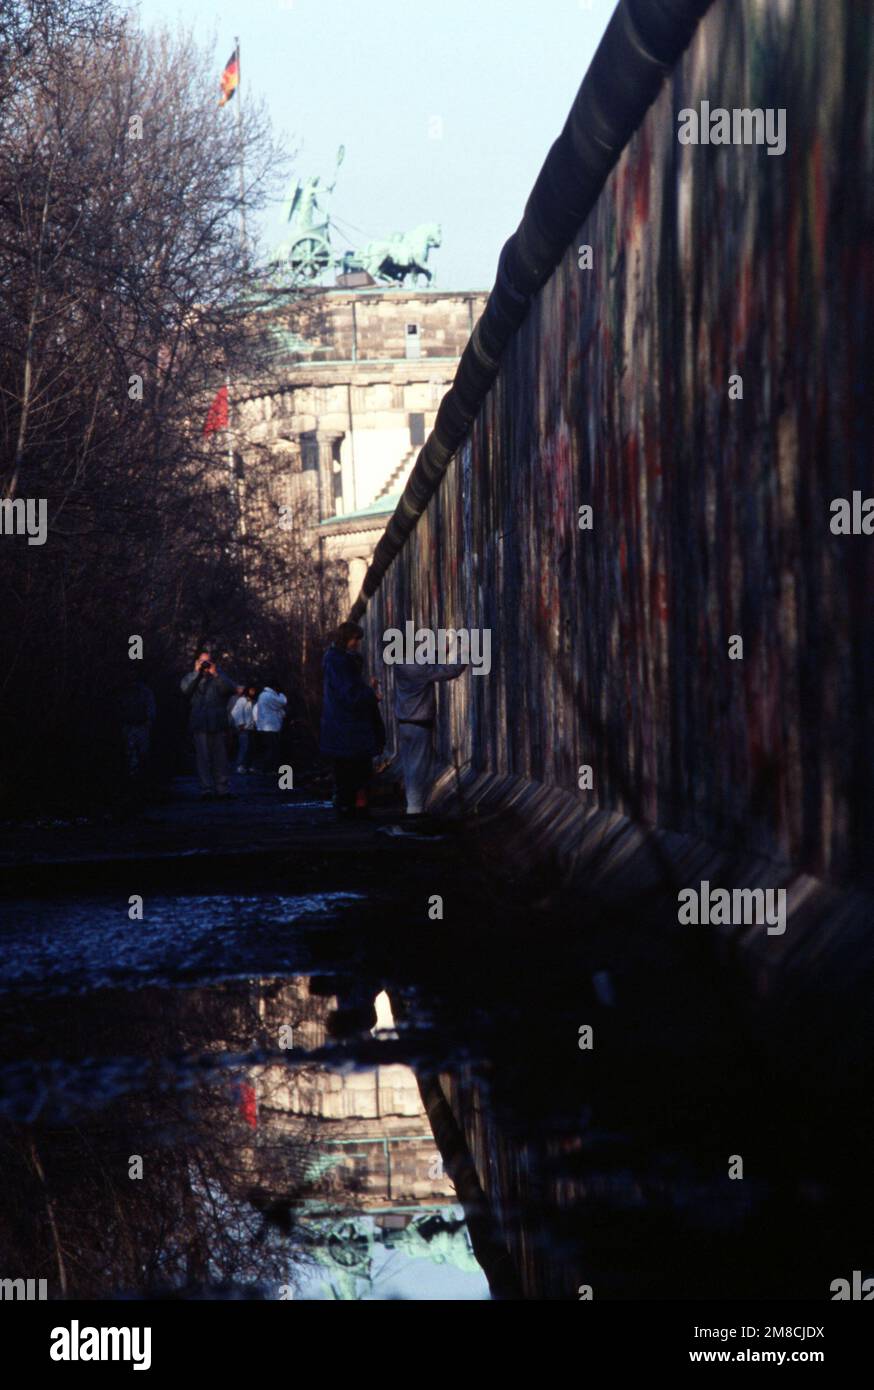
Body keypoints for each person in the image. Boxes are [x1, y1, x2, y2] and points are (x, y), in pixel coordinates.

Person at [390, 657, 468, 821]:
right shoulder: (418, 668)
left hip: (405, 723)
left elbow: (425, 660)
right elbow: (449, 671)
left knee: (410, 768)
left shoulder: (400, 665)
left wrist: (439, 651)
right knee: (419, 770)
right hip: (419, 724)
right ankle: (416, 812)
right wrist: (466, 657)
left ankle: (414, 808)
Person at [320, 621, 383, 818]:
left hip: (343, 724)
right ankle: (350, 807)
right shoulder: (338, 661)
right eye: (355, 639)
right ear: (346, 638)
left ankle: (349, 806)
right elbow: (348, 693)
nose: (357, 643)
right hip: (347, 725)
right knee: (352, 768)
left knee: (348, 768)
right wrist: (370, 695)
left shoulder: (336, 659)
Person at [180, 649, 241, 798]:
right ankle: (206, 789)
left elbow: (232, 688)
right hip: (200, 723)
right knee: (202, 758)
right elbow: (185, 691)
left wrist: (216, 674)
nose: (205, 665)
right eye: (202, 661)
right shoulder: (190, 677)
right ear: (196, 662)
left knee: (220, 758)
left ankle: (222, 789)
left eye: (207, 661)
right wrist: (196, 673)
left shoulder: (219, 676)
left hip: (218, 723)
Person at [119, 672, 157, 779]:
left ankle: (141, 775)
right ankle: (134, 775)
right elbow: (122, 707)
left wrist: (149, 721)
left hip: (141, 726)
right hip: (130, 725)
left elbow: (150, 707)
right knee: (130, 751)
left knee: (142, 752)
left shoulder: (144, 692)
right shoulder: (126, 692)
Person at [253, 680, 287, 777]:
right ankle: (268, 769)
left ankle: (265, 768)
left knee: (268, 749)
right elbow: (282, 702)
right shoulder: (269, 696)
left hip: (265, 726)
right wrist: (282, 694)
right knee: (272, 749)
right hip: (270, 727)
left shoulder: (263, 695)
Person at [229, 684, 257, 773]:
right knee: (244, 747)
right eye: (251, 690)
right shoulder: (242, 700)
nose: (252, 692)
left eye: (254, 690)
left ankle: (249, 766)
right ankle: (240, 765)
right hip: (244, 728)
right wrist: (241, 724)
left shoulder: (254, 701)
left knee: (252, 748)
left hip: (252, 728)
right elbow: (235, 712)